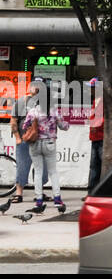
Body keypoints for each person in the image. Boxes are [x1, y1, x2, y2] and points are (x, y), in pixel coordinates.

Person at [23, 79, 69, 214]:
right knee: (53, 172)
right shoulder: (54, 111)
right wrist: (67, 124)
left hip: (35, 144)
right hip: (49, 144)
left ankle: (38, 200)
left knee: (38, 172)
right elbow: (63, 126)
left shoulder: (33, 111)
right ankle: (57, 199)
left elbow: (24, 126)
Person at [8, 78, 37, 205]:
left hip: (39, 141)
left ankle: (39, 193)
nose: (37, 88)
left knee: (43, 169)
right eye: (35, 85)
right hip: (24, 140)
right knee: (22, 167)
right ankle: (19, 193)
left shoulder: (45, 102)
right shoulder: (21, 102)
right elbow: (13, 121)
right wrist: (18, 139)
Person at [87, 78, 104, 190]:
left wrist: (97, 125)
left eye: (92, 88)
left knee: (100, 165)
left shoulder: (103, 101)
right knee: (94, 166)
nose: (90, 90)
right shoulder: (95, 101)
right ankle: (92, 190)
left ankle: (98, 190)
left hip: (101, 136)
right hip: (95, 137)